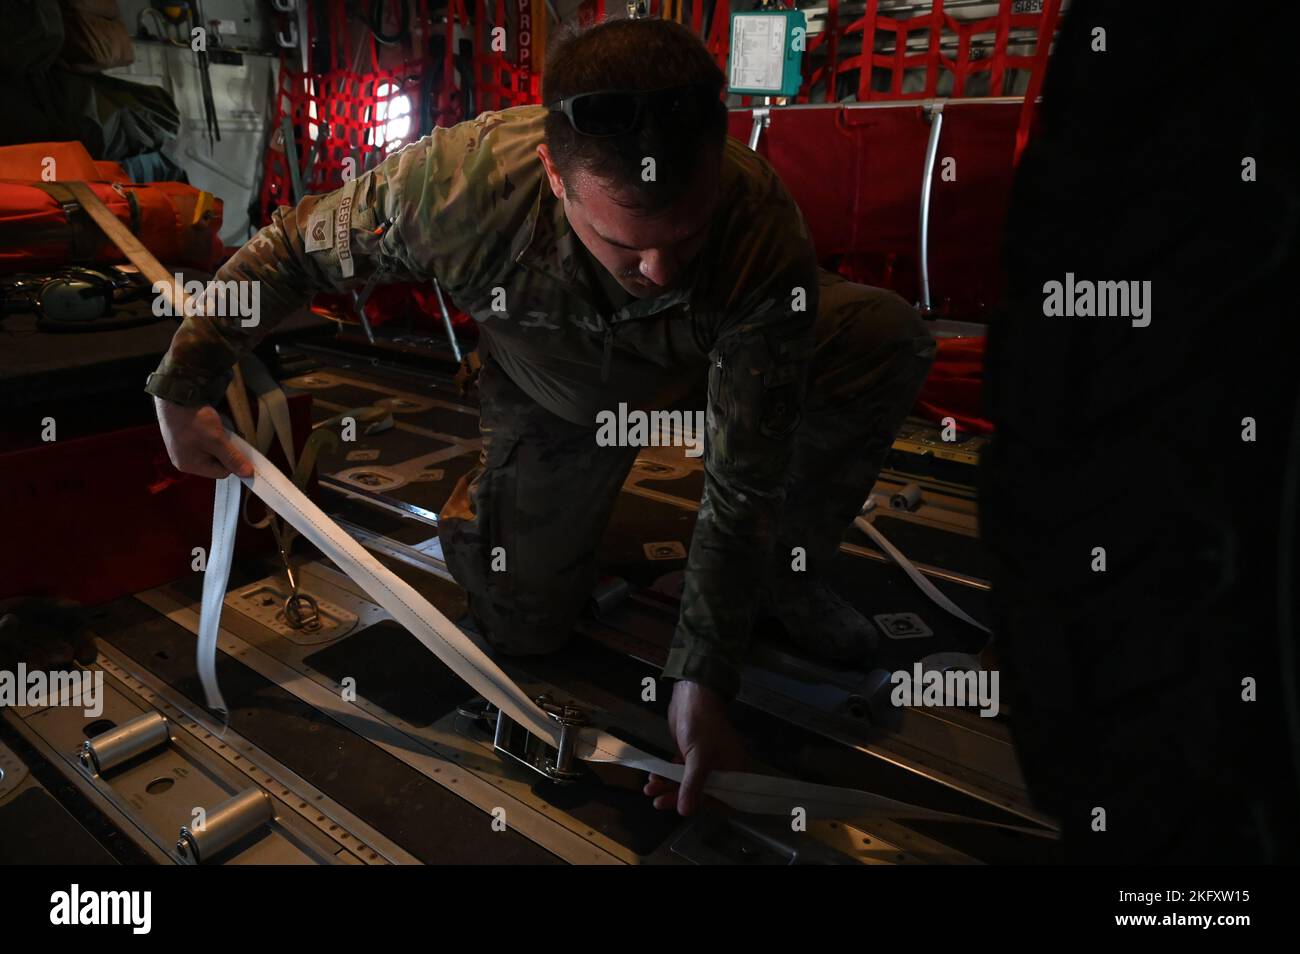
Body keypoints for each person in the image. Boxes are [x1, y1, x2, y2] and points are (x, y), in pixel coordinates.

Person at [149, 16, 935, 816]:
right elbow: (289, 251)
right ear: (554, 177)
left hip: (710, 372)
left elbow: (743, 483)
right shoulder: (458, 191)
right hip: (556, 393)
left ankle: (785, 576)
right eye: (625, 247)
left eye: (686, 237)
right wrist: (184, 385)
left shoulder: (758, 222)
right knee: (523, 625)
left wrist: (701, 681)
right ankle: (492, 509)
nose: (660, 271)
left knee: (883, 335)